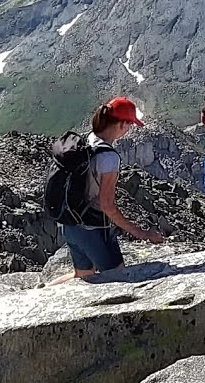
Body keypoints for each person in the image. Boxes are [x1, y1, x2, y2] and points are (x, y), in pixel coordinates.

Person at [52, 97, 164, 283]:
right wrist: (141, 233)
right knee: (118, 277)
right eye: (130, 124)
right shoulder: (109, 158)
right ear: (122, 124)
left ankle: (41, 291)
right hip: (91, 229)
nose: (129, 129)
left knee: (83, 275)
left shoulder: (88, 139)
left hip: (69, 224)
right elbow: (107, 205)